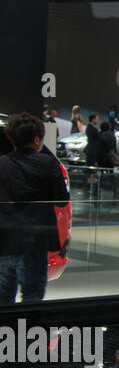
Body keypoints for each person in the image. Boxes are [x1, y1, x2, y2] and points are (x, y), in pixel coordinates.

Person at [0, 113, 70, 304]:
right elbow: (62, 201)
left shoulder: (2, 164)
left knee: (4, 296)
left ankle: (5, 332)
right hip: (36, 241)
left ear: (11, 138)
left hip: (5, 240)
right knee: (32, 296)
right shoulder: (49, 164)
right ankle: (28, 333)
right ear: (37, 139)